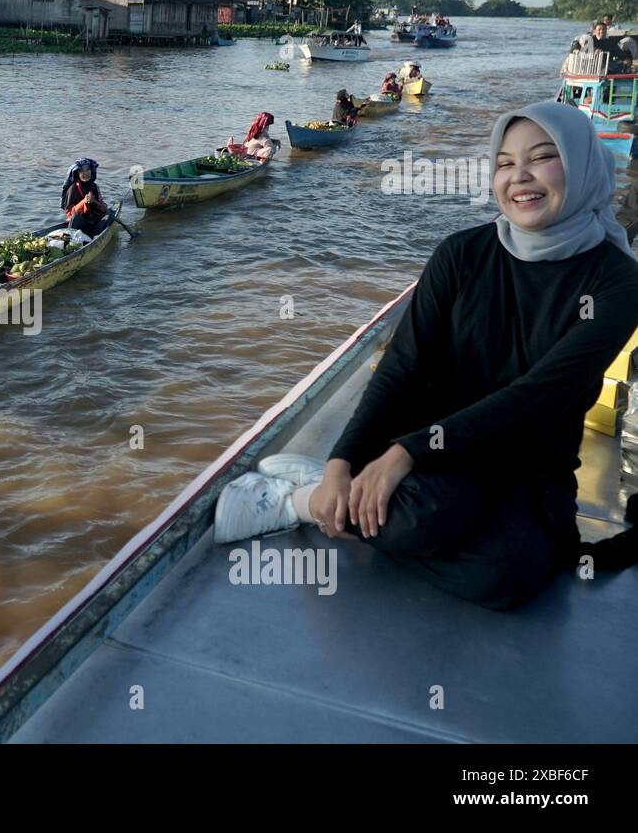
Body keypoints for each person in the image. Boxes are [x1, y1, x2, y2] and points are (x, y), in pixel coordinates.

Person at [214, 101, 638, 610]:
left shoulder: (616, 281)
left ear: (582, 165)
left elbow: (538, 396)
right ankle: (300, 498)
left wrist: (406, 452)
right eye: (504, 163)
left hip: (527, 468)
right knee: (421, 516)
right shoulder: (461, 255)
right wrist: (342, 460)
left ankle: (335, 503)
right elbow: (403, 367)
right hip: (439, 462)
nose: (519, 177)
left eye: (542, 158)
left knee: (503, 578)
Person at [60, 158, 109, 237]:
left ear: (91, 171)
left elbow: (104, 209)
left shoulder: (94, 187)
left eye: (87, 169)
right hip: (79, 226)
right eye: (82, 170)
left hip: (94, 222)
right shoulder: (73, 189)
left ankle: (93, 236)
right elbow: (69, 214)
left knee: (108, 217)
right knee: (76, 217)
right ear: (77, 173)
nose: (85, 173)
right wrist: (84, 202)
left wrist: (94, 201)